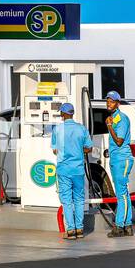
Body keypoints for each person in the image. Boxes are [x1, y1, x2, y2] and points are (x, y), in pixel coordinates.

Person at [51, 102, 93, 240]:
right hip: (78, 170)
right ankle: (80, 229)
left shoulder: (57, 129)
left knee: (67, 201)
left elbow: (55, 150)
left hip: (63, 169)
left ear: (63, 114)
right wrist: (78, 151)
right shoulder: (82, 129)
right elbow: (89, 148)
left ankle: (70, 230)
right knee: (79, 199)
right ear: (72, 113)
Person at [104, 91, 134, 237]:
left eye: (112, 101)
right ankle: (128, 225)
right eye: (108, 101)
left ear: (118, 103)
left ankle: (119, 226)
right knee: (123, 193)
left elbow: (119, 141)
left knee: (121, 193)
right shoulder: (113, 118)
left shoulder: (121, 119)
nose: (109, 103)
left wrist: (109, 126)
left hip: (123, 159)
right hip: (116, 159)